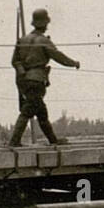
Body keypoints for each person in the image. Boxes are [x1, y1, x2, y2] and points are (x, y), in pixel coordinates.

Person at [9, 8, 80, 146]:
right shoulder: (43, 41)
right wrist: (74, 63)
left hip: (23, 81)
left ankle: (53, 140)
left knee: (41, 112)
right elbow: (59, 56)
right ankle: (14, 141)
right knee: (28, 111)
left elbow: (15, 61)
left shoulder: (22, 40)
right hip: (36, 80)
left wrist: (22, 72)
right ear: (44, 23)